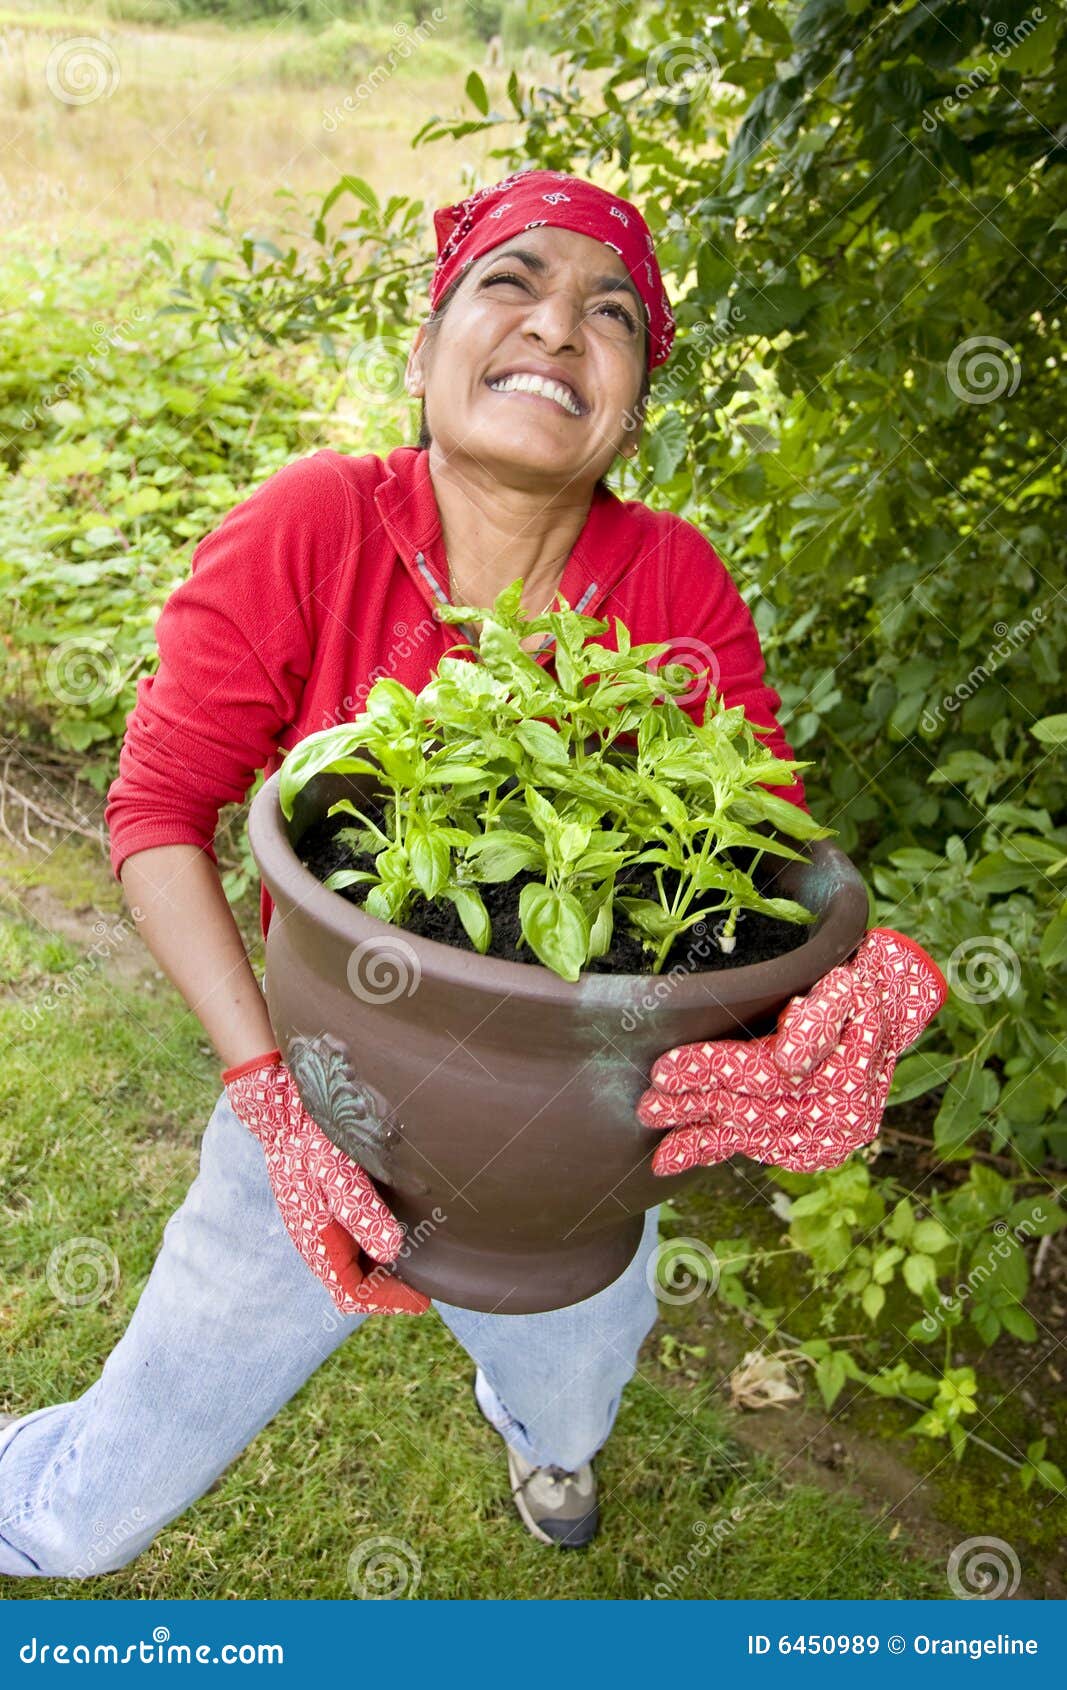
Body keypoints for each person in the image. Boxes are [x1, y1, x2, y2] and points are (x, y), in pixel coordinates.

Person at [0, 168, 946, 1580]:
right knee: (93, 1507)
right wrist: (267, 1090)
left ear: (633, 403)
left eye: (610, 314)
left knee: (576, 1386)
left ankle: (537, 1426)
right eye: (514, 284)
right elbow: (156, 815)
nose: (560, 326)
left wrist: (848, 990)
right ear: (426, 345)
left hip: (580, 1150)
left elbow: (768, 872)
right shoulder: (314, 523)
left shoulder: (673, 582)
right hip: (320, 1095)